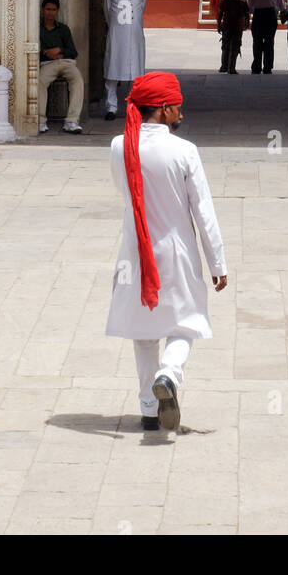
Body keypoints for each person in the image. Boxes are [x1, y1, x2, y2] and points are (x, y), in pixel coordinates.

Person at [105, 71, 227, 431]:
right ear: (162, 108)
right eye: (178, 108)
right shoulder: (184, 151)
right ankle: (170, 375)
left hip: (134, 249)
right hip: (177, 250)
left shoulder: (118, 146)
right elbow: (203, 211)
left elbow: (125, 195)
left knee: (144, 331)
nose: (182, 115)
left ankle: (147, 408)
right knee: (186, 321)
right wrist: (217, 261)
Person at [104, 0, 147, 120]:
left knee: (135, 72)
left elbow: (142, 7)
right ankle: (111, 107)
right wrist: (117, 26)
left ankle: (134, 106)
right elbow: (107, 10)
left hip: (136, 35)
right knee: (113, 70)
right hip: (117, 35)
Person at [39, 0, 84, 133]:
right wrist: (47, 53)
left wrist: (59, 50)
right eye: (47, 9)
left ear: (57, 11)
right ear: (42, 10)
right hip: (47, 64)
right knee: (39, 82)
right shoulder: (37, 28)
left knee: (78, 80)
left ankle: (71, 121)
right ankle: (40, 121)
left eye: (53, 9)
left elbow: (73, 51)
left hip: (66, 62)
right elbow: (35, 50)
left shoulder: (63, 29)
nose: (50, 12)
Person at [245, 0, 287, 75]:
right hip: (271, 14)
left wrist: (246, 14)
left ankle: (256, 66)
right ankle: (267, 67)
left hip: (258, 15)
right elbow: (281, 3)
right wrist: (283, 12)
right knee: (269, 41)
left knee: (257, 41)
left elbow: (249, 4)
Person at [217, 0, 249, 74]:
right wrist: (247, 23)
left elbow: (220, 13)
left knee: (225, 46)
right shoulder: (242, 0)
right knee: (235, 46)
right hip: (238, 26)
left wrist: (219, 25)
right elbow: (246, 13)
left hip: (226, 25)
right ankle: (232, 68)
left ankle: (224, 66)